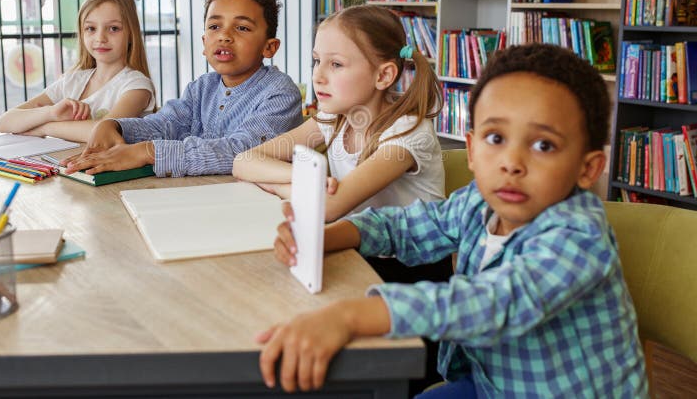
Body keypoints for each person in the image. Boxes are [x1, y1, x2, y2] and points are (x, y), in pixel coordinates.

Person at [258, 44, 648, 397]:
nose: (512, 163)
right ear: (473, 149)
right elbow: (408, 227)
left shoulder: (580, 237)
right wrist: (326, 236)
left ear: (587, 168)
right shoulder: (478, 202)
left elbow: (493, 302)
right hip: (490, 382)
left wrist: (350, 316)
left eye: (543, 145)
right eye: (496, 138)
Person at [62, 0, 303, 177]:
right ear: (204, 42)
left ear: (269, 47)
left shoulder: (280, 93)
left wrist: (148, 152)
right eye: (214, 26)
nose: (224, 36)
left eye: (242, 28)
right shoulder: (202, 88)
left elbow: (243, 151)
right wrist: (115, 126)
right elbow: (166, 124)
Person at [232, 5, 445, 221]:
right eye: (317, 61)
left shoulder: (408, 131)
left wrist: (272, 185)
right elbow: (243, 161)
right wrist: (303, 178)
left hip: (410, 243)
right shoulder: (333, 119)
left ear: (383, 76)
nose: (317, 77)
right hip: (357, 236)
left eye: (336, 64)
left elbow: (327, 208)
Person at [0, 0, 155, 142]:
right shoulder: (71, 81)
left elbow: (103, 132)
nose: (100, 38)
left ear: (131, 34)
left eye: (113, 28)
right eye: (91, 28)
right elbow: (4, 122)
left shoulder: (137, 86)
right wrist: (51, 113)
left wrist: (45, 128)